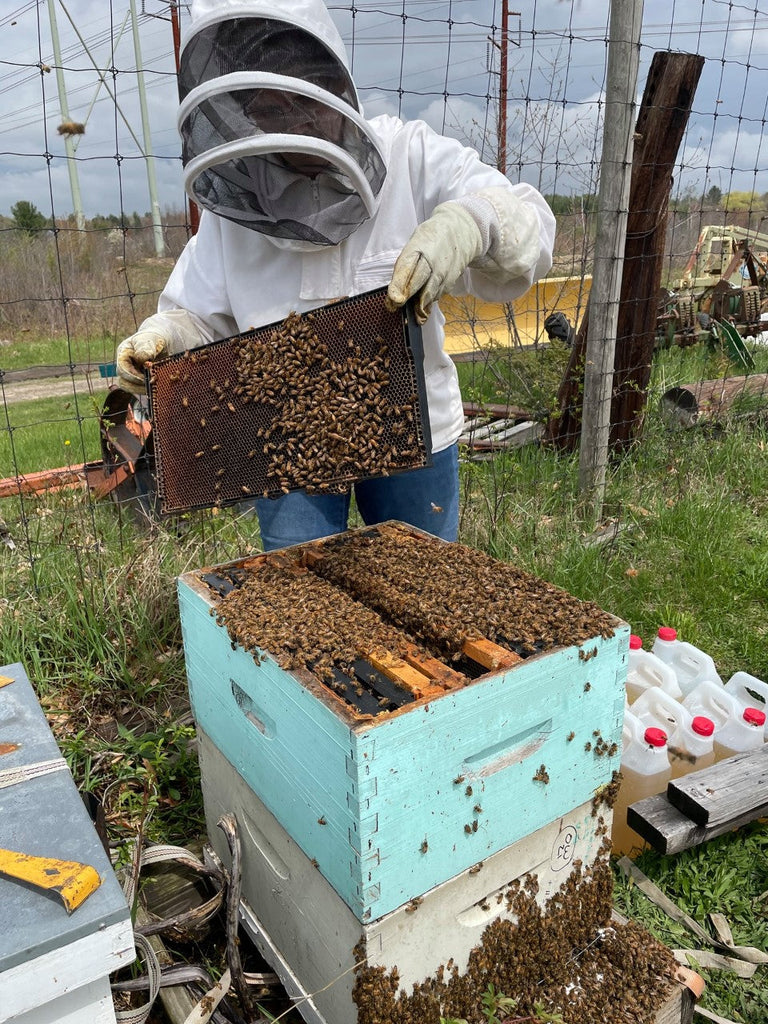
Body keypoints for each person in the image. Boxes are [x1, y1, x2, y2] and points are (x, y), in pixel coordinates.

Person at [116, 0, 556, 551]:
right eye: (270, 109)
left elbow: (531, 225)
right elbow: (199, 316)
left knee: (423, 589)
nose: (294, 120)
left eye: (302, 98)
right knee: (301, 605)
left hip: (412, 433)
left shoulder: (411, 156)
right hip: (287, 439)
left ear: (334, 87)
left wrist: (472, 222)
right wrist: (169, 338)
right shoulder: (237, 207)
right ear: (244, 113)